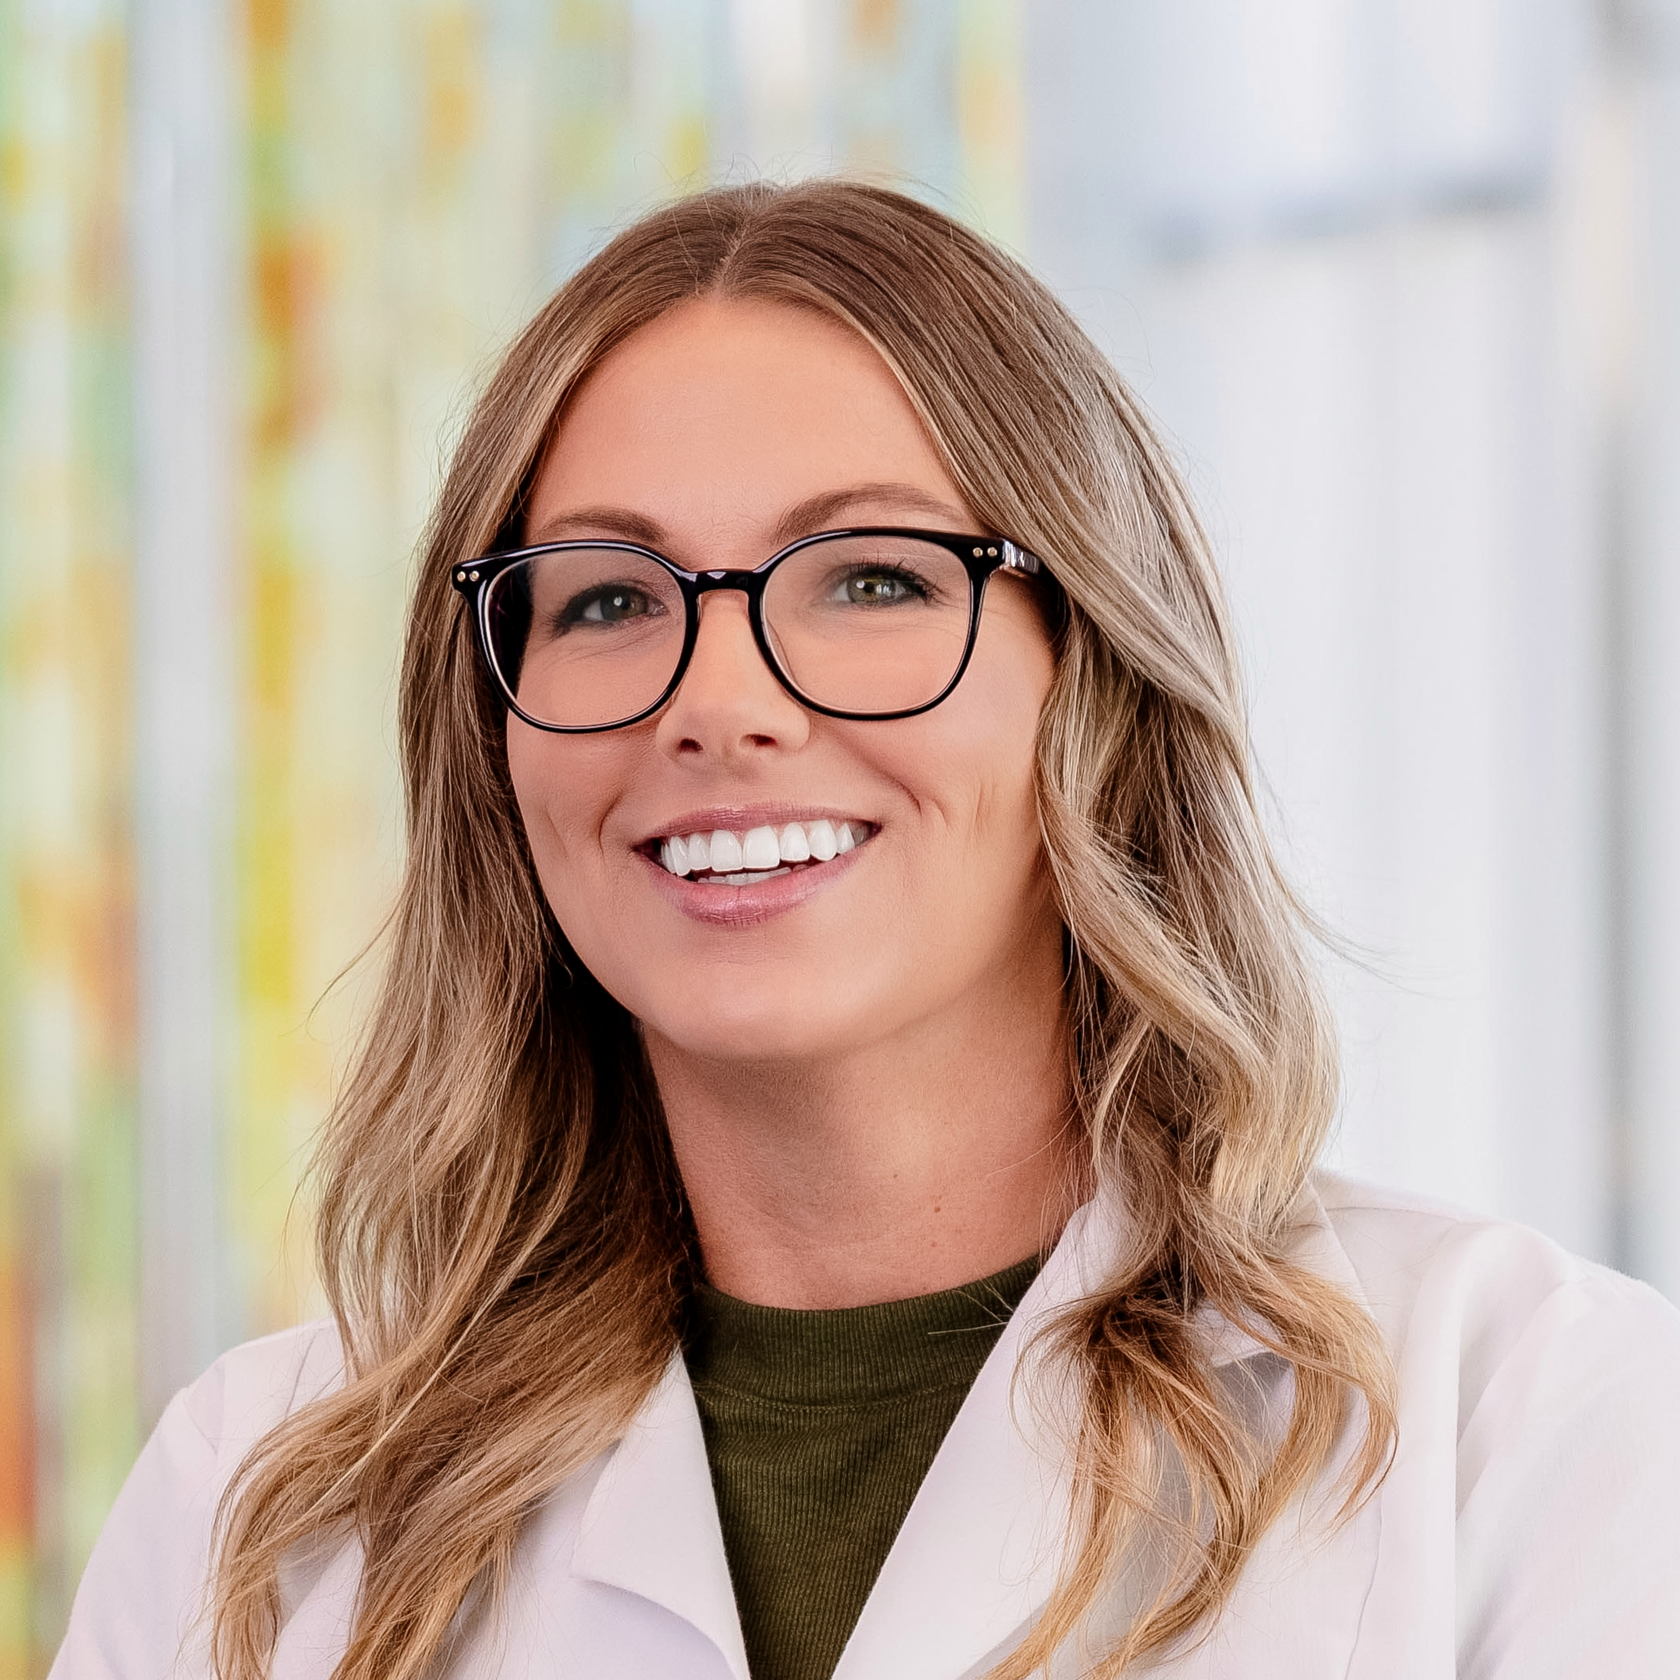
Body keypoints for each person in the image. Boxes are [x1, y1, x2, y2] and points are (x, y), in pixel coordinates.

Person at [52, 180, 1680, 1680]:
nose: (719, 702)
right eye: (609, 598)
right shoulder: (251, 1515)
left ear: (1097, 678)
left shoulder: (1531, 1428)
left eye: (874, 578)